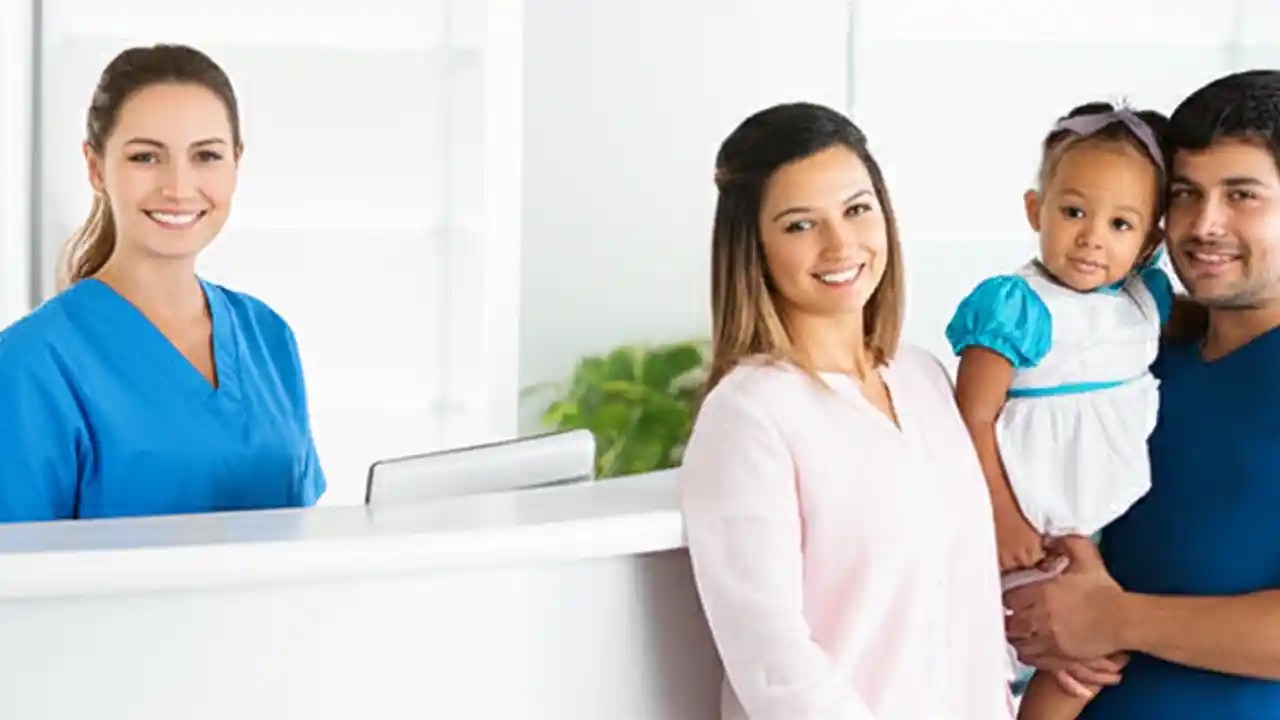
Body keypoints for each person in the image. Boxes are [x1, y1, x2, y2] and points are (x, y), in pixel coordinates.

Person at [677, 102, 1012, 719]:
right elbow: (774, 664)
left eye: (857, 209)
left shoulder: (923, 378)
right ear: (754, 247)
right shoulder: (750, 415)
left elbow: (965, 609)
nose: (841, 244)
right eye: (801, 224)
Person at [1005, 69, 1280, 718]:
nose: (1205, 223)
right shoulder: (1136, 354)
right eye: (1186, 193)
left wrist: (1117, 619)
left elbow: (1099, 612)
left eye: (1242, 195)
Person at [0, 44, 325, 521]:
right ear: (96, 167)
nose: (177, 187)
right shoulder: (31, 364)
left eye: (206, 156)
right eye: (146, 157)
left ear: (236, 162)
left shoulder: (268, 338)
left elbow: (305, 535)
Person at [945, 101, 1172, 718]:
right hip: (1030, 523)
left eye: (1121, 224)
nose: (1093, 237)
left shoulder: (1143, 301)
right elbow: (971, 417)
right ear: (1033, 209)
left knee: (1090, 652)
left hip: (1100, 525)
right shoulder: (1018, 306)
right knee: (1079, 666)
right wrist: (1003, 519)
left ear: (1152, 239)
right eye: (1073, 211)